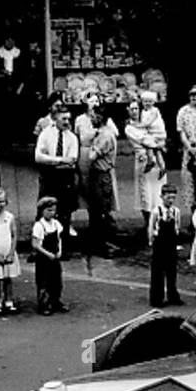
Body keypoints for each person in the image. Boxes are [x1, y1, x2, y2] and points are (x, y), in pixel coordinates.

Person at [76, 93, 118, 265]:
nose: (91, 119)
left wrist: (91, 143)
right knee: (96, 209)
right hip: (97, 175)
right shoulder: (102, 133)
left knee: (101, 210)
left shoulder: (104, 135)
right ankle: (98, 242)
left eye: (94, 116)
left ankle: (106, 244)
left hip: (102, 175)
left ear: (100, 117)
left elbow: (92, 155)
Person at [35, 107, 80, 234]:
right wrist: (60, 160)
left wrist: (51, 159)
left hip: (65, 177)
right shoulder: (46, 134)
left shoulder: (72, 137)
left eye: (68, 119)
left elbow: (72, 159)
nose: (67, 122)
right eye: (63, 119)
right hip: (49, 176)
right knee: (45, 209)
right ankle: (42, 241)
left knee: (64, 211)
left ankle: (63, 243)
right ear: (55, 119)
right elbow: (38, 157)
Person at [126, 95, 168, 230]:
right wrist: (159, 145)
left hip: (156, 160)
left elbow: (155, 133)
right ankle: (148, 223)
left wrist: (158, 144)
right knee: (146, 193)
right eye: (131, 109)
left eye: (136, 108)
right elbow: (145, 140)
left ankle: (161, 221)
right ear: (128, 110)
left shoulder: (148, 119)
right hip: (144, 161)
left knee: (158, 191)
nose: (134, 111)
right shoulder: (130, 127)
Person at [31, 197, 67, 314]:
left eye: (53, 210)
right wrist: (47, 254)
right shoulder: (39, 226)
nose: (52, 213)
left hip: (54, 256)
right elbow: (35, 244)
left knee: (56, 281)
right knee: (43, 282)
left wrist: (60, 251)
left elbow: (59, 239)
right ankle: (44, 305)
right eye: (49, 210)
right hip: (43, 259)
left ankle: (56, 301)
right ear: (42, 211)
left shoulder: (56, 224)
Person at [148, 192, 183, 307]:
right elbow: (151, 227)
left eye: (173, 198)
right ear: (162, 197)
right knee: (158, 272)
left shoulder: (176, 211)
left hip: (171, 243)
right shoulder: (156, 211)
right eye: (168, 198)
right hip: (159, 244)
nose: (171, 200)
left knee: (171, 271)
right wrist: (151, 241)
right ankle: (157, 299)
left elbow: (177, 226)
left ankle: (173, 296)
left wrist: (176, 241)